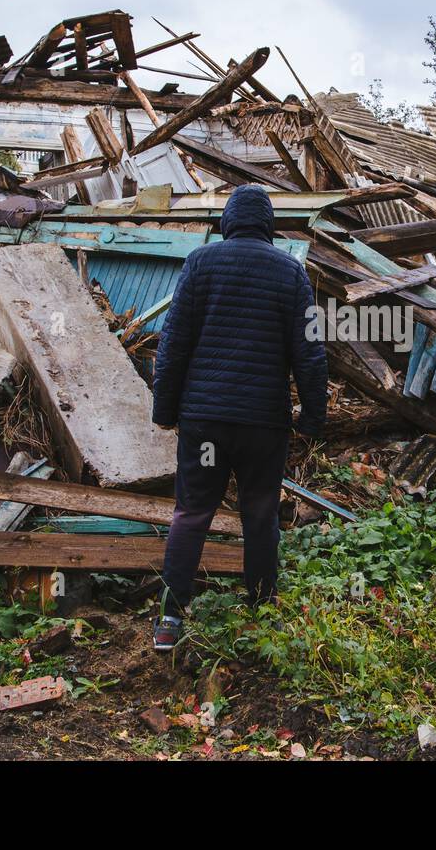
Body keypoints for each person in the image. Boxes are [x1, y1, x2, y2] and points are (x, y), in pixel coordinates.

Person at [149, 183, 328, 650]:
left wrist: (165, 410)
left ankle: (170, 618)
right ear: (268, 225)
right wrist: (310, 419)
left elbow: (172, 346)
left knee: (191, 512)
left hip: (204, 421)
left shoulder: (200, 263)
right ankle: (263, 611)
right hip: (262, 425)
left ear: (227, 221)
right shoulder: (291, 273)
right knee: (260, 515)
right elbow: (310, 355)